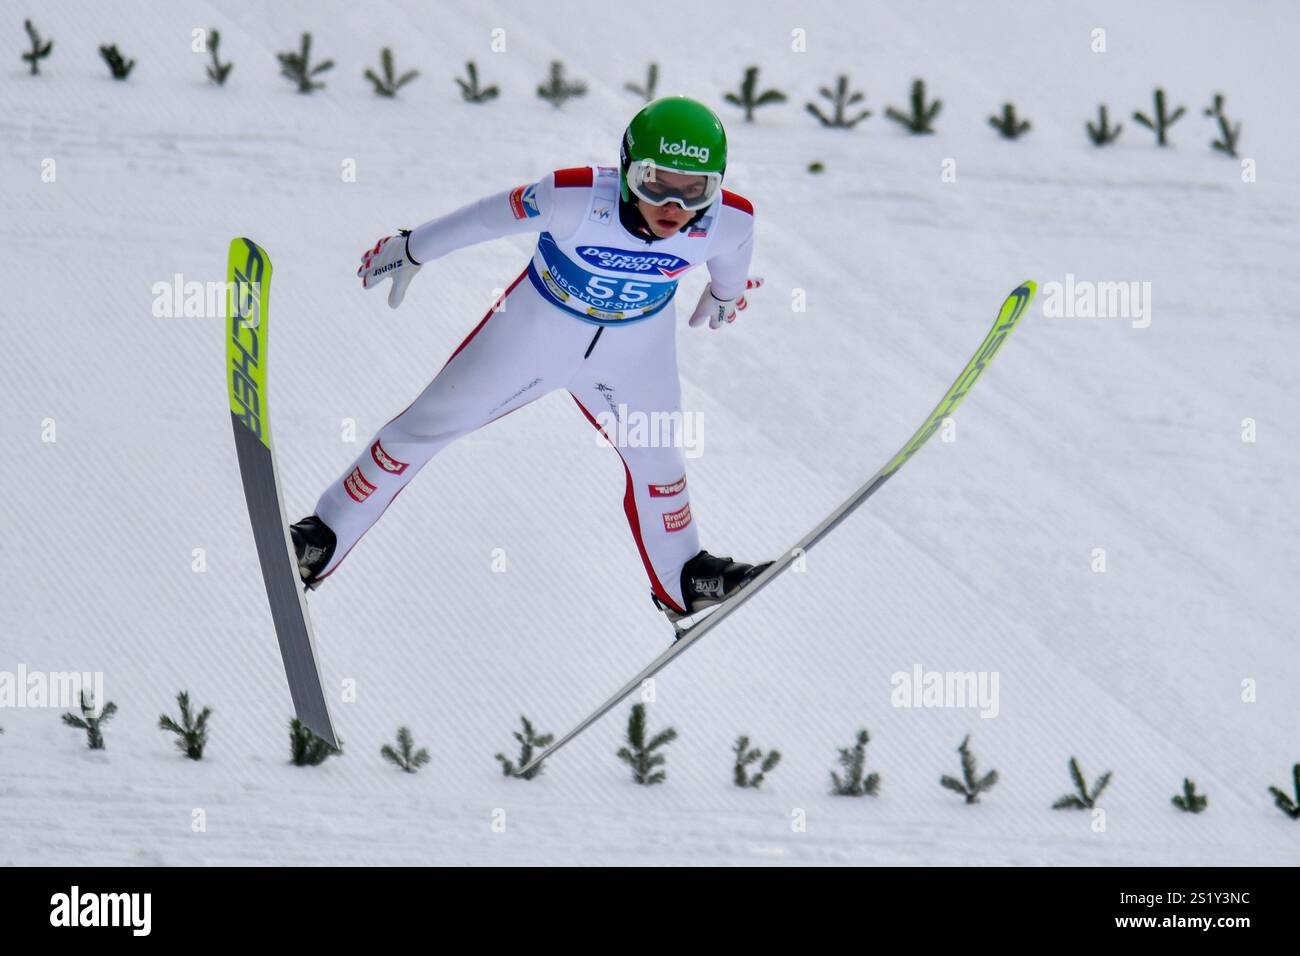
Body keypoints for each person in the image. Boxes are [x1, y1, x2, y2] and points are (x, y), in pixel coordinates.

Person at [291, 95, 769, 620]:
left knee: (659, 461)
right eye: (655, 183)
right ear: (628, 168)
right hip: (535, 333)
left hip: (635, 355)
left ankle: (685, 580)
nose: (673, 208)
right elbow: (482, 220)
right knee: (423, 427)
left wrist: (726, 295)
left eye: (694, 191)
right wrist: (412, 248)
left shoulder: (729, 220)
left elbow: (731, 264)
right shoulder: (574, 196)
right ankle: (324, 537)